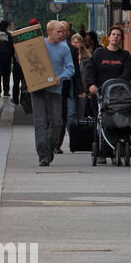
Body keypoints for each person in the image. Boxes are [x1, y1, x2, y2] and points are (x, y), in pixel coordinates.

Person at [31, 20, 75, 167]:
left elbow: (71, 68)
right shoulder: (39, 45)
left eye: (63, 32)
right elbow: (24, 59)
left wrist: (61, 77)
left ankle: (49, 148)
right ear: (49, 32)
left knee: (57, 122)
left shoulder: (64, 48)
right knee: (40, 122)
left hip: (55, 90)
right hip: (38, 89)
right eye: (59, 32)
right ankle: (43, 155)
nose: (62, 34)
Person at [86, 24, 131, 95]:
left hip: (118, 93)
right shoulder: (99, 52)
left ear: (121, 39)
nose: (115, 37)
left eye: (118, 35)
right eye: (113, 34)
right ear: (109, 37)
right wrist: (91, 85)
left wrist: (114, 86)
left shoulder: (125, 55)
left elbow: (127, 74)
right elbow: (90, 70)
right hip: (99, 93)